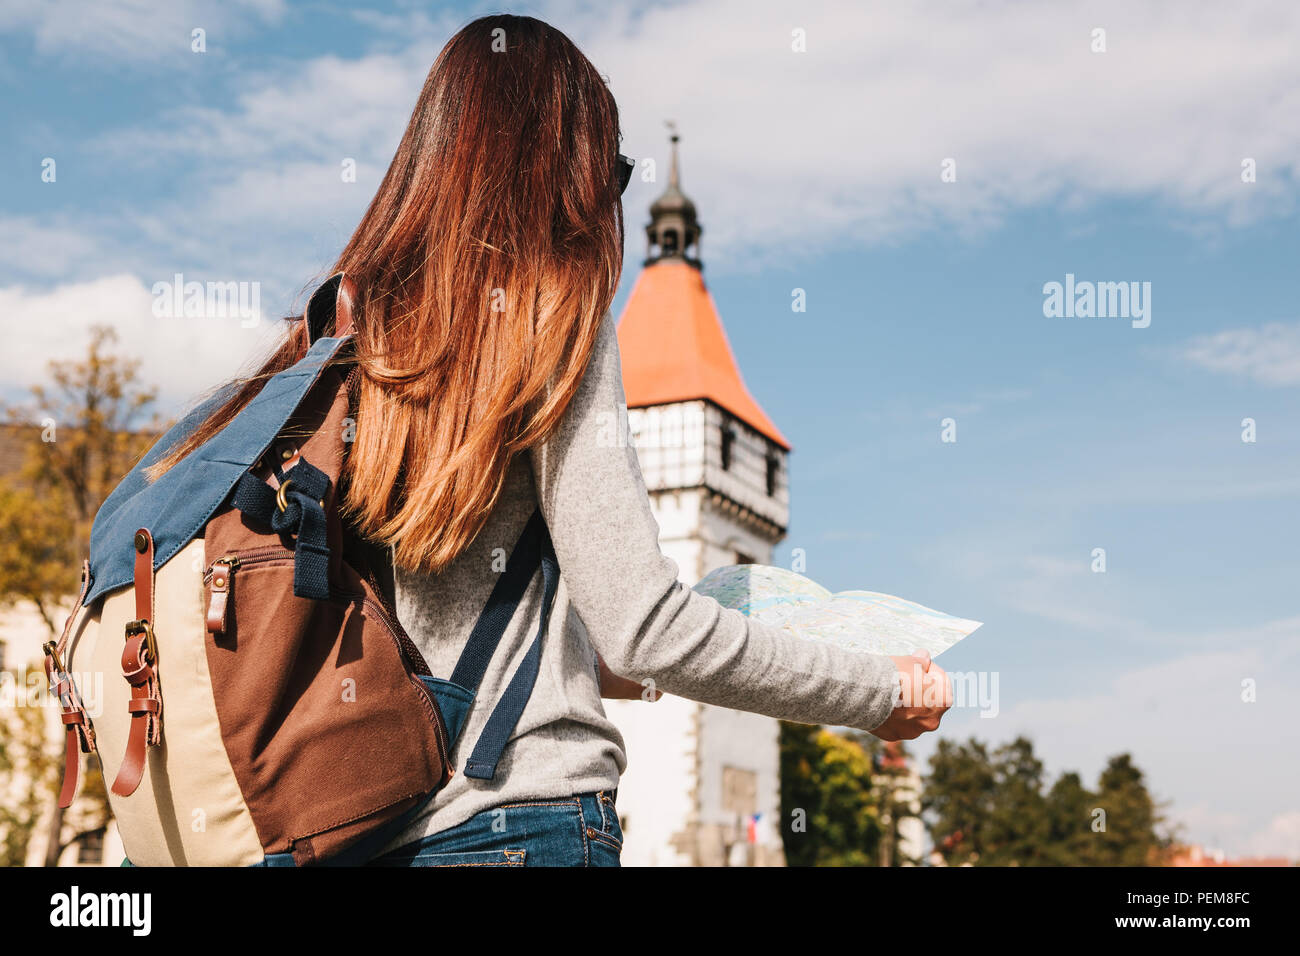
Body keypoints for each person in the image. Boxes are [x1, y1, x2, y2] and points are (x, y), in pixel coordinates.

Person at [157, 14, 951, 867]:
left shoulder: (347, 330)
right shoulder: (552, 317)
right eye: (610, 170)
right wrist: (878, 689)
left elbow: (418, 630)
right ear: (567, 168)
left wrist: (603, 664)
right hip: (518, 824)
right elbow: (647, 626)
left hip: (359, 829)